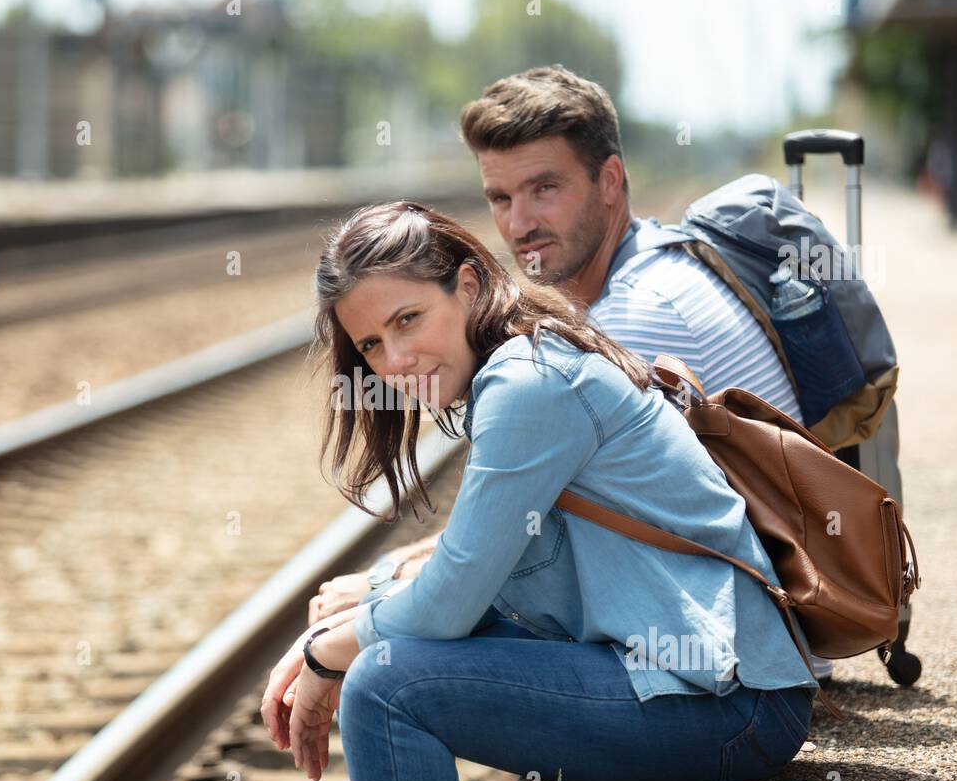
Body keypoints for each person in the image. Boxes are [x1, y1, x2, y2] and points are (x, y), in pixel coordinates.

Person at [261, 200, 819, 781]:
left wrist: (322, 652)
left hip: (729, 702)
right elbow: (485, 573)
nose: (394, 362)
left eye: (408, 320)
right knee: (388, 652)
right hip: (683, 676)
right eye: (371, 343)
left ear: (467, 286)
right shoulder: (522, 363)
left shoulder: (528, 383)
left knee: (386, 684)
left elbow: (449, 603)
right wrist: (376, 595)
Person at [308, 64, 835, 685]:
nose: (519, 223)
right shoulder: (655, 262)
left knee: (405, 665)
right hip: (715, 610)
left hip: (737, 641)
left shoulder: (633, 315)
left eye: (544, 189)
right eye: (500, 199)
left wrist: (385, 580)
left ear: (609, 181)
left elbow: (506, 539)